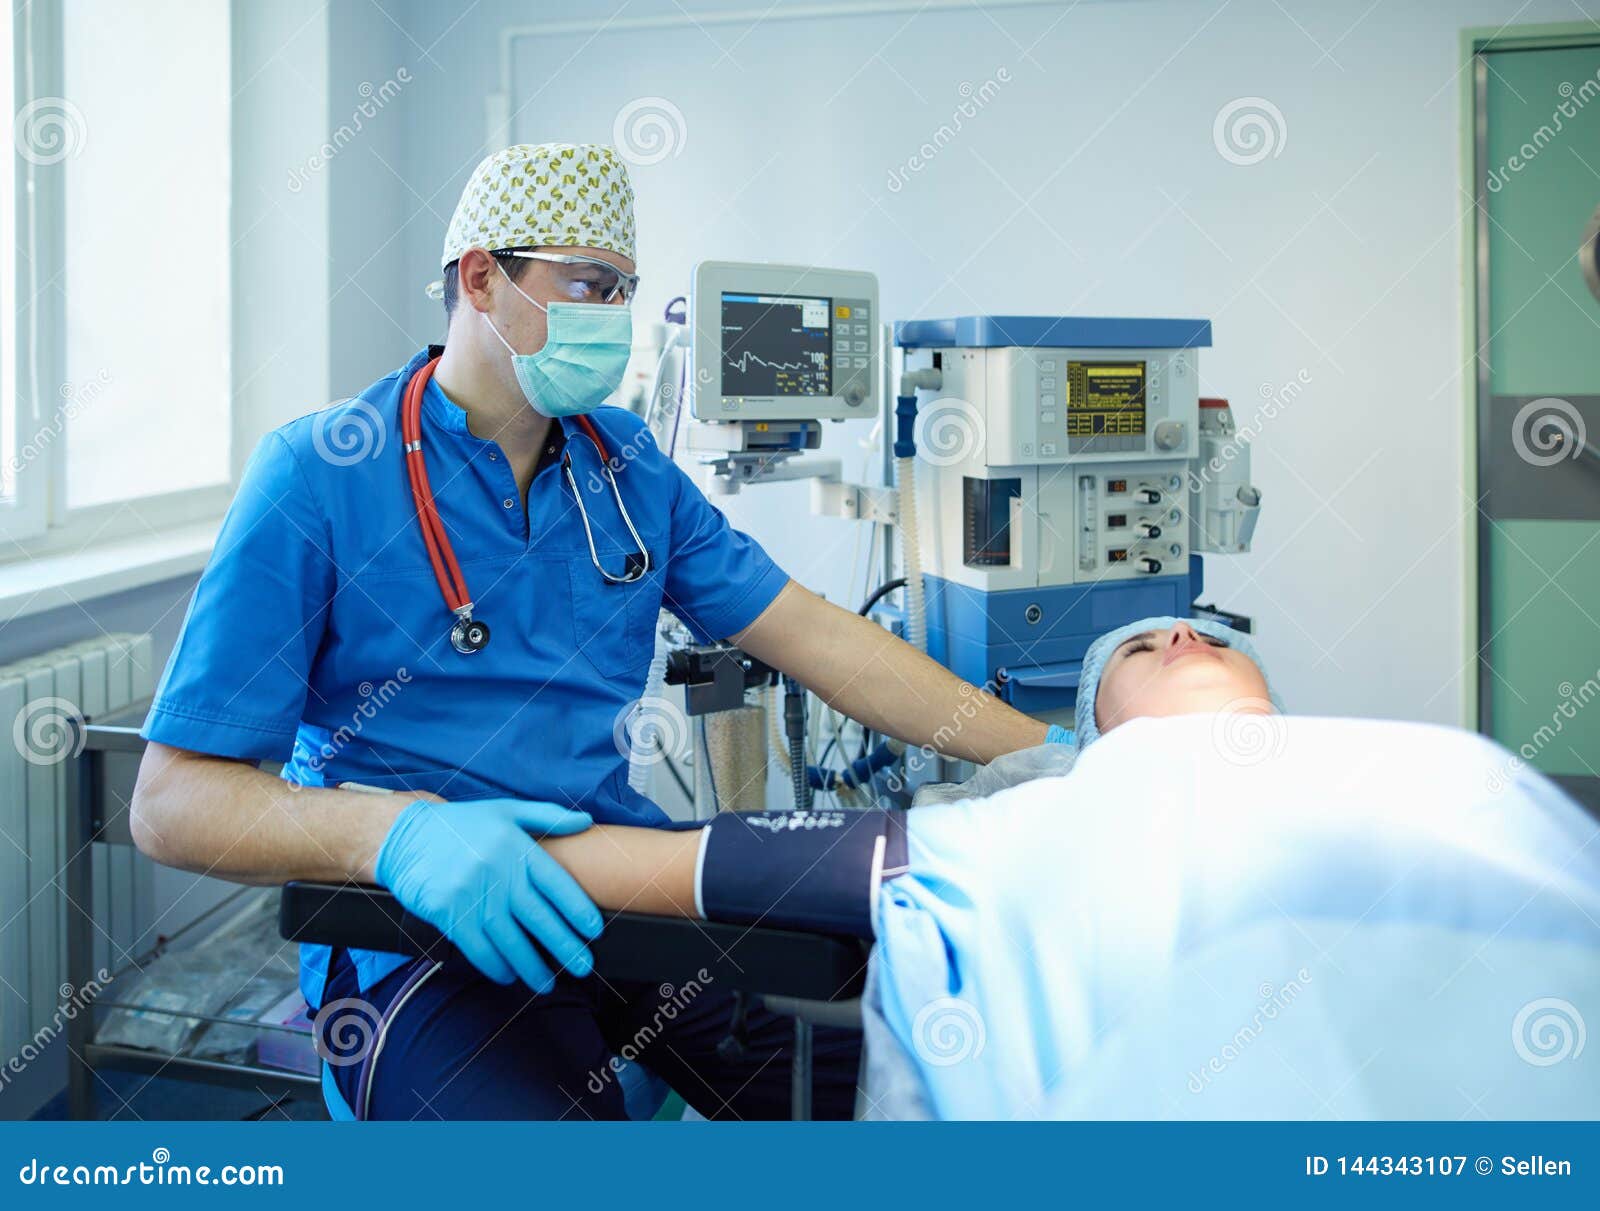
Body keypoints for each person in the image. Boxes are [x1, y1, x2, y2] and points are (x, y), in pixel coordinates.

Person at [129, 142, 1061, 1120]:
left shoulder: (626, 467)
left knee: (914, 1079)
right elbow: (171, 801)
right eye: (586, 285)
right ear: (483, 278)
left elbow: (818, 637)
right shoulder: (319, 472)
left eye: (623, 291)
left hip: (615, 875)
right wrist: (397, 833)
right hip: (418, 925)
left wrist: (1049, 753)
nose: (611, 318)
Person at [443, 616, 1600, 1120]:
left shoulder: (1451, 763)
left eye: (1207, 634)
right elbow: (686, 864)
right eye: (1144, 643)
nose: (1187, 635)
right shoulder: (1047, 815)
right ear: (1088, 731)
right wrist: (400, 840)